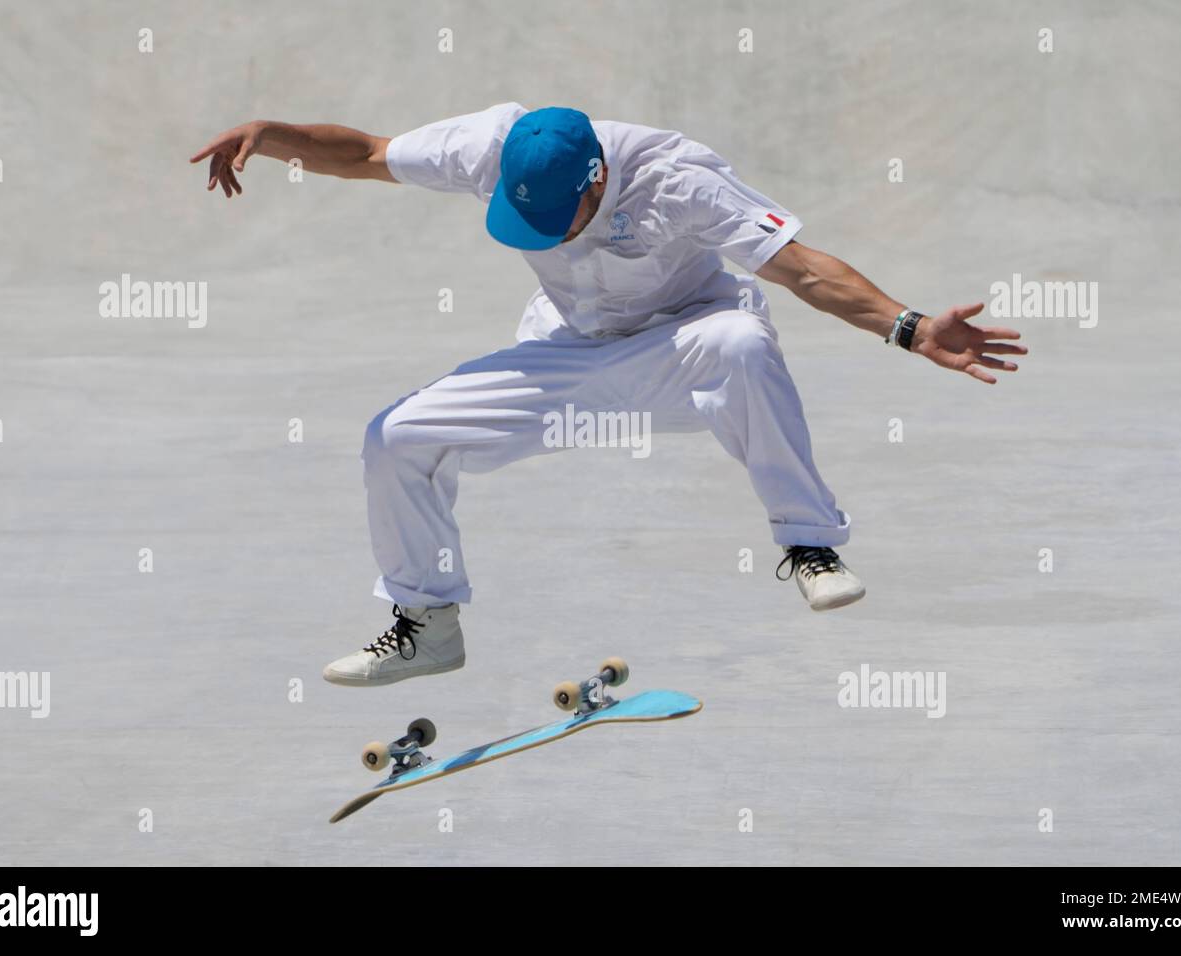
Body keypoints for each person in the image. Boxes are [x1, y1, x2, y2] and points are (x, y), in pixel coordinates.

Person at [191, 103, 1026, 688]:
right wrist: (270, 136)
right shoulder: (489, 143)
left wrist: (910, 328)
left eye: (558, 219)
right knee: (398, 435)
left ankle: (810, 545)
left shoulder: (681, 178)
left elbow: (802, 269)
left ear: (598, 180)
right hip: (564, 356)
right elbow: (370, 153)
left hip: (680, 349)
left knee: (741, 339)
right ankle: (427, 623)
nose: (544, 237)